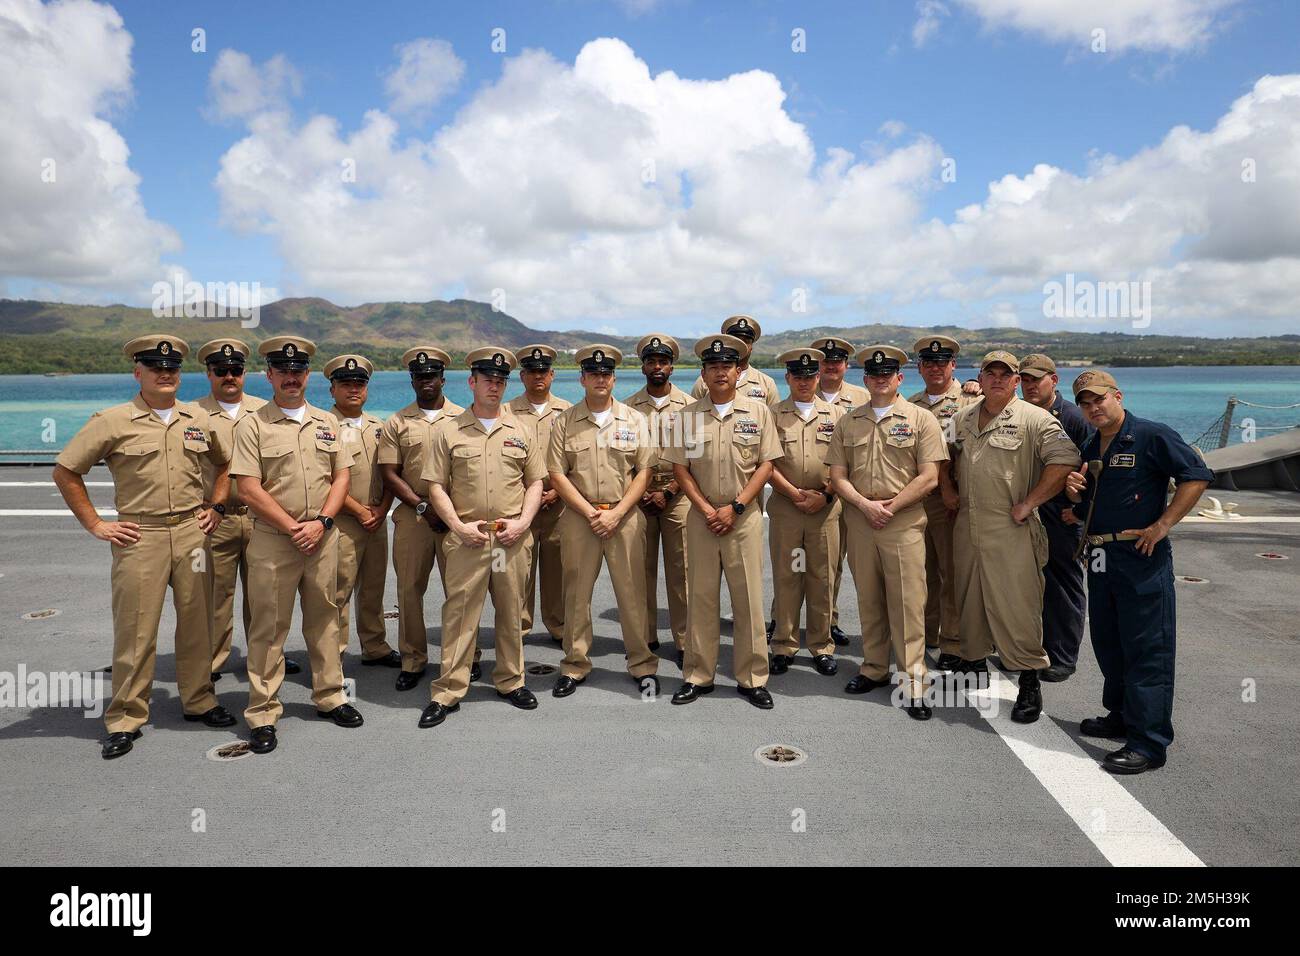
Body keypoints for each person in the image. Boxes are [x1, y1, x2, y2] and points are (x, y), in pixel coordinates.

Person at [54, 334, 234, 759]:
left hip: (192, 530)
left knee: (198, 623)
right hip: (141, 536)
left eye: (171, 368)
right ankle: (125, 718)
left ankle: (199, 700)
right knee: (137, 629)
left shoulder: (198, 418)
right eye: (156, 367)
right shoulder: (113, 420)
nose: (165, 373)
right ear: (139, 372)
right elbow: (66, 471)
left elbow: (226, 464)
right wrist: (96, 523)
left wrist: (218, 507)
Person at [1065, 370, 1212, 774]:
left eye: (1100, 399)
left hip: (1140, 557)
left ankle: (1148, 743)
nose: (1094, 408)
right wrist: (1077, 495)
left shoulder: (1151, 434)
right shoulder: (1092, 443)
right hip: (1100, 557)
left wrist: (1162, 525)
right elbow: (1095, 503)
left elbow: (1196, 476)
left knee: (1148, 648)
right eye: (1085, 402)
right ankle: (1122, 718)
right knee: (1110, 643)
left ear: (1118, 396)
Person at [230, 336, 363, 754]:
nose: (291, 378)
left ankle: (330, 696)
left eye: (298, 371)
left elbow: (341, 477)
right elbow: (248, 488)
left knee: (326, 617)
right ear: (269, 375)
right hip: (275, 540)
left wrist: (322, 522)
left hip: (322, 538)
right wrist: (294, 527)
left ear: (307, 375)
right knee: (269, 627)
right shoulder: (252, 424)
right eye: (283, 371)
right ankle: (264, 712)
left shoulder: (327, 422)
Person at [943, 351, 1081, 724]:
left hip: (1012, 525)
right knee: (969, 597)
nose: (998, 379)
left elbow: (1064, 459)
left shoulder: (1034, 419)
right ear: (982, 378)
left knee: (1018, 604)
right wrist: (947, 491)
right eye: (992, 373)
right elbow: (944, 455)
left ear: (1016, 381)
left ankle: (1029, 681)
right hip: (968, 522)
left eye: (1007, 374)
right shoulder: (963, 417)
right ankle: (973, 663)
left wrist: (1031, 502)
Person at [418, 347, 545, 728]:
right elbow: (435, 485)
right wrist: (457, 526)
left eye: (502, 380)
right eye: (488, 379)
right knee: (460, 614)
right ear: (472, 382)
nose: (495, 386)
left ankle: (511, 680)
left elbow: (536, 481)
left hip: (509, 540)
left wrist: (523, 522)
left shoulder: (522, 431)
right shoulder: (448, 430)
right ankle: (448, 691)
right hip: (470, 539)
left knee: (511, 611)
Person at [827, 346, 947, 720]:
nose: (881, 378)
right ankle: (874, 668)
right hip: (862, 520)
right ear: (865, 380)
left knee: (908, 602)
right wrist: (865, 507)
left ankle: (913, 681)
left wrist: (890, 508)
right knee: (869, 597)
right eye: (874, 374)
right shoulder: (849, 421)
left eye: (888, 373)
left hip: (903, 521)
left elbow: (930, 476)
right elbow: (837, 475)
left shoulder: (921, 419)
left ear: (899, 378)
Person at [664, 334, 782, 709]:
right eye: (713, 367)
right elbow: (679, 468)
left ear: (737, 371)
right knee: (700, 597)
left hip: (742, 519)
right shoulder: (687, 415)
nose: (720, 373)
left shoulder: (758, 412)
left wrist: (737, 507)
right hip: (701, 517)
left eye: (726, 366)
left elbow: (766, 464)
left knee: (748, 599)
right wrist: (704, 508)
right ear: (703, 373)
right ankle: (699, 674)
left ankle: (752, 678)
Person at [547, 345, 659, 696]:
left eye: (606, 374)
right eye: (592, 373)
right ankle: (575, 664)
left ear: (614, 378)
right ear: (581, 378)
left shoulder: (634, 420)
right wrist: (590, 512)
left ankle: (641, 663)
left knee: (632, 592)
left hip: (623, 517)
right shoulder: (564, 421)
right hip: (581, 518)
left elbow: (645, 471)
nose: (600, 379)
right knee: (576, 594)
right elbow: (556, 473)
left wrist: (618, 512)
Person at [195, 339, 298, 681]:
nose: (229, 377)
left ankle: (268, 657)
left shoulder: (266, 411)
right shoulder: (192, 415)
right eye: (221, 371)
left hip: (261, 520)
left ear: (245, 374)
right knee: (215, 597)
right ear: (208, 374)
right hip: (216, 521)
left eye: (236, 370)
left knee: (266, 596)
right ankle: (210, 662)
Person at [378, 347, 467, 691]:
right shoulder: (397, 422)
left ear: (443, 379)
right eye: (420, 376)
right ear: (412, 381)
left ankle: (462, 659)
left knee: (458, 590)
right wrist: (421, 506)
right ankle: (413, 660)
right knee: (409, 590)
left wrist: (446, 512)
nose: (426, 381)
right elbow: (389, 472)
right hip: (413, 517)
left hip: (455, 518)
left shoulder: (463, 418)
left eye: (432, 376)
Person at [765, 348, 843, 677]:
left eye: (810, 376)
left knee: (821, 577)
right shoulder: (771, 414)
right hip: (787, 507)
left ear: (818, 377)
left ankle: (821, 644)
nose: (804, 382)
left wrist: (823, 496)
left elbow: (845, 464)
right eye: (797, 376)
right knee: (787, 577)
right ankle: (783, 643)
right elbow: (764, 463)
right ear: (787, 378)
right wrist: (795, 493)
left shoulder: (838, 416)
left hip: (825, 510)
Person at [1017, 353, 1093, 681]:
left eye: (1037, 379)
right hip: (1027, 514)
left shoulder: (1073, 418)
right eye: (1025, 379)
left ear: (1054, 380)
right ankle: (1032, 648)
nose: (1031, 385)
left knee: (1062, 584)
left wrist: (1080, 511)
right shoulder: (1019, 414)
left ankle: (1062, 656)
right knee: (1029, 585)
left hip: (1061, 515)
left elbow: (1094, 467)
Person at [907, 335, 979, 672]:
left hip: (951, 499)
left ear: (953, 366)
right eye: (929, 363)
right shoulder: (909, 404)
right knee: (921, 573)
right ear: (919, 367)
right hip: (917, 499)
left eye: (942, 362)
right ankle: (926, 635)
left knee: (951, 571)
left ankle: (952, 641)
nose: (936, 368)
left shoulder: (969, 402)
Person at [325, 354, 399, 669]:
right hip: (343, 522)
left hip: (377, 520)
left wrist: (382, 509)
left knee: (373, 588)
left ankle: (375, 646)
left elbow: (390, 472)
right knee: (337, 594)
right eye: (346, 384)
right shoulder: (323, 426)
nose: (353, 389)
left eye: (359, 383)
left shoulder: (378, 427)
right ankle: (334, 656)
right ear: (332, 389)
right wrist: (359, 512)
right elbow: (325, 480)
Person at [625, 334, 692, 666]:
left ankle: (684, 641)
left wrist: (668, 492)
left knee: (682, 572)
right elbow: (623, 459)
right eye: (651, 362)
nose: (657, 367)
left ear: (671, 367)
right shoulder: (626, 408)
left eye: (663, 362)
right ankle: (646, 638)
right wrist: (643, 492)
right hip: (639, 496)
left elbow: (695, 457)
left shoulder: (690, 406)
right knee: (641, 571)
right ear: (643, 367)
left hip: (677, 495)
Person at [805, 337, 868, 647]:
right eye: (825, 360)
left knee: (833, 561)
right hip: (802, 494)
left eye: (838, 360)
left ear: (846, 364)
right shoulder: (802, 391)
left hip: (845, 495)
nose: (831, 365)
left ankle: (828, 620)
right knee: (793, 561)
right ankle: (782, 618)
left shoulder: (863, 398)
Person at [507, 345, 572, 643]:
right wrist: (527, 495)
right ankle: (518, 628)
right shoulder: (507, 412)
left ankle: (558, 626)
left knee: (557, 569)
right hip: (520, 505)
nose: (538, 376)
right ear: (522, 376)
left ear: (552, 374)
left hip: (559, 505)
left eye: (543, 371)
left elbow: (575, 460)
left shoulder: (569, 411)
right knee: (520, 571)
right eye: (532, 372)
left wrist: (556, 492)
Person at [690, 315, 780, 407]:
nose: (742, 344)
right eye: (736, 340)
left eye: (746, 341)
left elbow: (773, 419)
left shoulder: (767, 383)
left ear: (752, 347)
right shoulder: (703, 382)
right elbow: (693, 414)